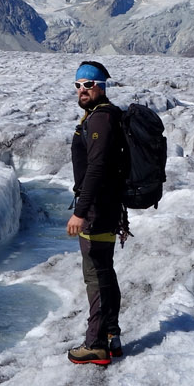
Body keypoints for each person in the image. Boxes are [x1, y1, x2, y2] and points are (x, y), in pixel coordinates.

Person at [67, 60, 128, 366]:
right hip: (104, 206)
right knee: (103, 271)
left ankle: (95, 344)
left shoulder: (101, 120)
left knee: (96, 275)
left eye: (88, 85)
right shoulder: (98, 116)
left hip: (97, 209)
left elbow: (97, 169)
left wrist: (80, 211)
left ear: (102, 86)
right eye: (78, 84)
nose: (82, 90)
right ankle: (110, 337)